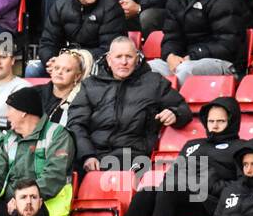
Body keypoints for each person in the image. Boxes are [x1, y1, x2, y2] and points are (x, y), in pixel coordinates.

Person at [66, 36, 191, 172]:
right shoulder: (90, 85)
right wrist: (87, 155)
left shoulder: (154, 82)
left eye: (129, 57)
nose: (124, 62)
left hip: (133, 156)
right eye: (118, 57)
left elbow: (183, 108)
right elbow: (76, 124)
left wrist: (175, 113)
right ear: (109, 60)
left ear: (137, 59)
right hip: (92, 155)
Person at [125, 96, 245, 216]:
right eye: (211, 121)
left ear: (231, 121)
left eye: (220, 121)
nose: (214, 126)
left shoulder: (241, 148)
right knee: (144, 194)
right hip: (178, 196)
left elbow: (244, 186)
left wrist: (209, 183)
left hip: (211, 202)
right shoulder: (192, 145)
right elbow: (171, 176)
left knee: (170, 191)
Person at [0, 86, 76, 216]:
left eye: (10, 109)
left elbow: (53, 176)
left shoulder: (58, 135)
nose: (7, 115)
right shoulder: (9, 138)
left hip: (43, 203)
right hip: (13, 202)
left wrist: (21, 199)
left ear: (23, 113)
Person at [30, 0, 126, 79]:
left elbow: (109, 50)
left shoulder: (111, 7)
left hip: (96, 65)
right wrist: (51, 60)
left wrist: (77, 59)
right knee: (32, 70)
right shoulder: (60, 6)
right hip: (65, 62)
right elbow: (48, 42)